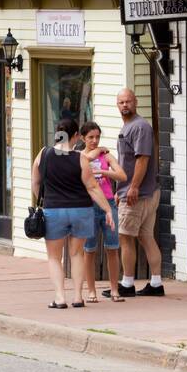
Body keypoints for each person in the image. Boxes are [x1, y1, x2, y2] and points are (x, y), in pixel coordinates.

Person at [32, 117, 116, 309]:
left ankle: (60, 298)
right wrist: (107, 209)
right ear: (77, 136)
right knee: (77, 254)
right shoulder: (80, 158)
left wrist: (45, 201)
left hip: (54, 210)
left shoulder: (44, 154)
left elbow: (35, 182)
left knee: (54, 257)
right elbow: (92, 187)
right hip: (81, 210)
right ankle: (78, 297)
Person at [109, 88, 163, 298]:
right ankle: (156, 283)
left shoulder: (139, 127)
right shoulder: (129, 127)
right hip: (142, 191)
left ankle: (127, 284)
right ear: (117, 104)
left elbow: (142, 159)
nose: (125, 105)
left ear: (136, 102)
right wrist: (119, 189)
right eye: (121, 102)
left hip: (138, 194)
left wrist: (132, 187)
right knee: (146, 237)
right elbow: (126, 162)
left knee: (125, 237)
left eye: (128, 101)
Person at [78, 121, 126, 303]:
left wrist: (104, 172)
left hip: (108, 204)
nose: (95, 140)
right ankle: (91, 291)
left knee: (112, 248)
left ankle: (114, 289)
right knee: (89, 250)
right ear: (83, 138)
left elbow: (122, 175)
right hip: (87, 205)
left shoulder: (106, 155)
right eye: (90, 137)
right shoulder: (79, 156)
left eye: (97, 137)